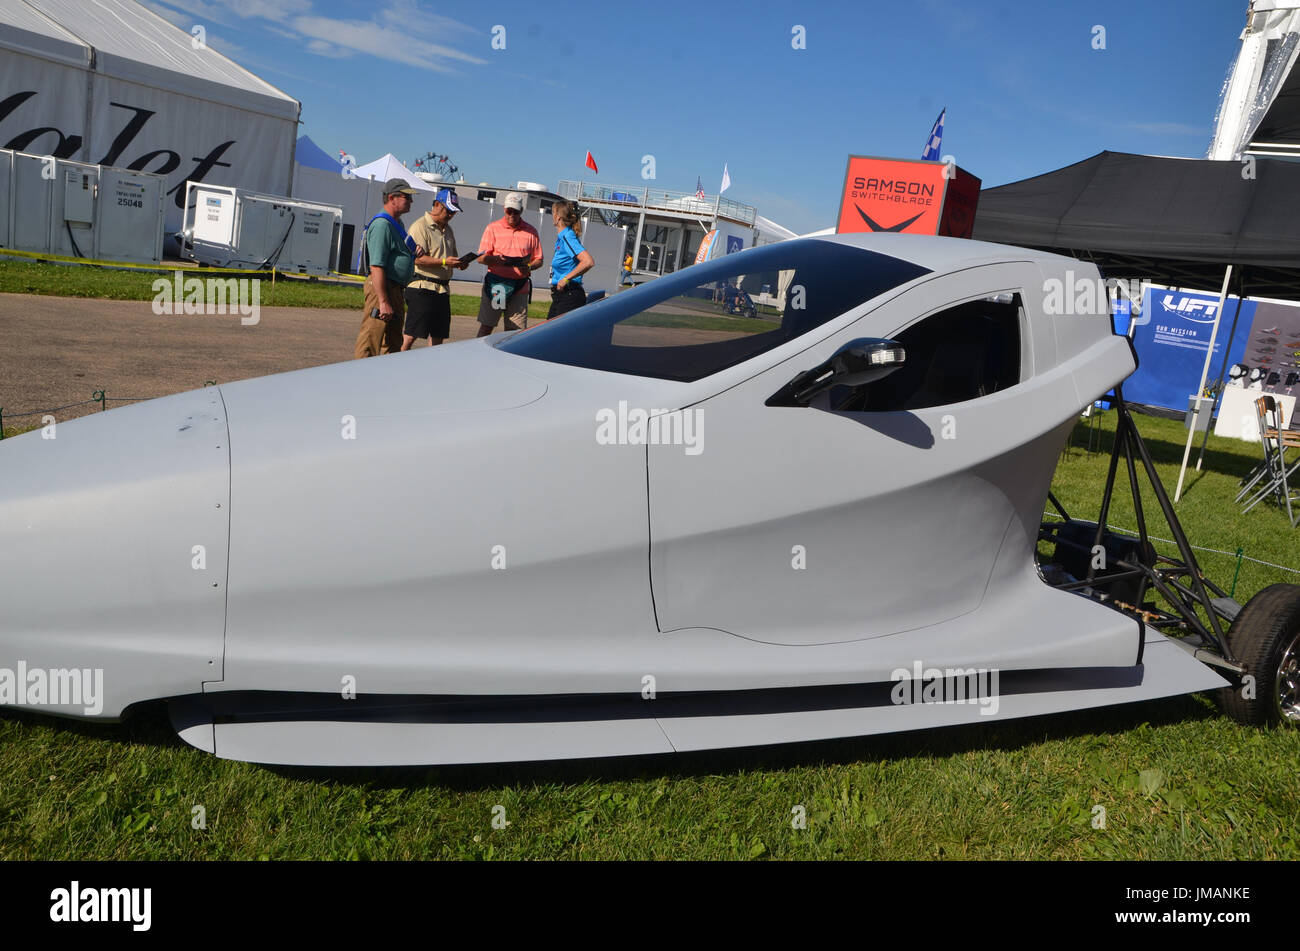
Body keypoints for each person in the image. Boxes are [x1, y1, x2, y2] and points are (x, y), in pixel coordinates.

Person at [354, 178, 420, 358]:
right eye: (407, 197)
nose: (411, 201)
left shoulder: (396, 224)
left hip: (395, 289)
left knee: (393, 342)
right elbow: (376, 266)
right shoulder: (382, 225)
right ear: (392, 198)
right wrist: (383, 302)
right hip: (381, 289)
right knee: (371, 339)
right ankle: (359, 377)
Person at [403, 188, 466, 349]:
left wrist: (460, 263)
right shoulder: (420, 226)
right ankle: (396, 362)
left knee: (438, 336)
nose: (451, 215)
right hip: (422, 287)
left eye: (454, 212)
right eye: (449, 211)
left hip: (442, 290)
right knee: (411, 335)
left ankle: (433, 367)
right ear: (437, 205)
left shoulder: (448, 230)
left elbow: (452, 256)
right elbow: (417, 259)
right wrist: (444, 261)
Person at [476, 192, 542, 337]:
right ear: (504, 209)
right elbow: (480, 258)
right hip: (497, 286)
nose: (512, 214)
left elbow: (539, 259)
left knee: (515, 333)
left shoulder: (531, 232)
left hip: (520, 287)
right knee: (487, 326)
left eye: (516, 211)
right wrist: (496, 260)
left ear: (521, 211)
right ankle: (477, 357)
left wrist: (529, 267)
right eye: (509, 211)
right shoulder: (492, 228)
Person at [547, 199, 594, 319]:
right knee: (547, 332)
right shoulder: (562, 237)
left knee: (554, 335)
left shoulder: (567, 236)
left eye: (553, 212)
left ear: (557, 217)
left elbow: (588, 262)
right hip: (561, 295)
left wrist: (565, 279)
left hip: (570, 295)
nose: (552, 216)